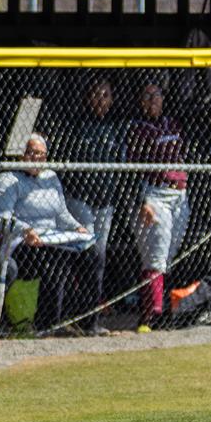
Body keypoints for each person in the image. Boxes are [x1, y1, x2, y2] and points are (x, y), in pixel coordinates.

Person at [0, 133, 94, 333]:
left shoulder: (50, 176)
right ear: (21, 155)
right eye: (32, 153)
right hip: (21, 241)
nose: (37, 158)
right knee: (55, 262)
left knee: (93, 254)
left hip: (53, 237)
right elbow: (2, 217)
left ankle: (84, 320)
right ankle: (48, 325)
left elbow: (61, 212)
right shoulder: (8, 180)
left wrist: (77, 227)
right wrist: (25, 229)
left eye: (42, 154)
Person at [58, 78, 129, 334]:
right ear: (88, 98)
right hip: (80, 199)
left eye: (106, 95)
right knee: (87, 254)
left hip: (105, 202)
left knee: (99, 257)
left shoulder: (116, 127)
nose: (101, 100)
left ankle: (91, 320)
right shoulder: (77, 125)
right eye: (96, 95)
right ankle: (71, 312)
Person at [127, 81, 190, 331]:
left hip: (180, 195)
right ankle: (148, 318)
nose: (152, 101)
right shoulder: (136, 128)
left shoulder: (173, 123)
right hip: (153, 194)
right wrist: (142, 201)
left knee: (168, 256)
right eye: (147, 97)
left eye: (156, 96)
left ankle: (164, 312)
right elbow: (130, 171)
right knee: (156, 255)